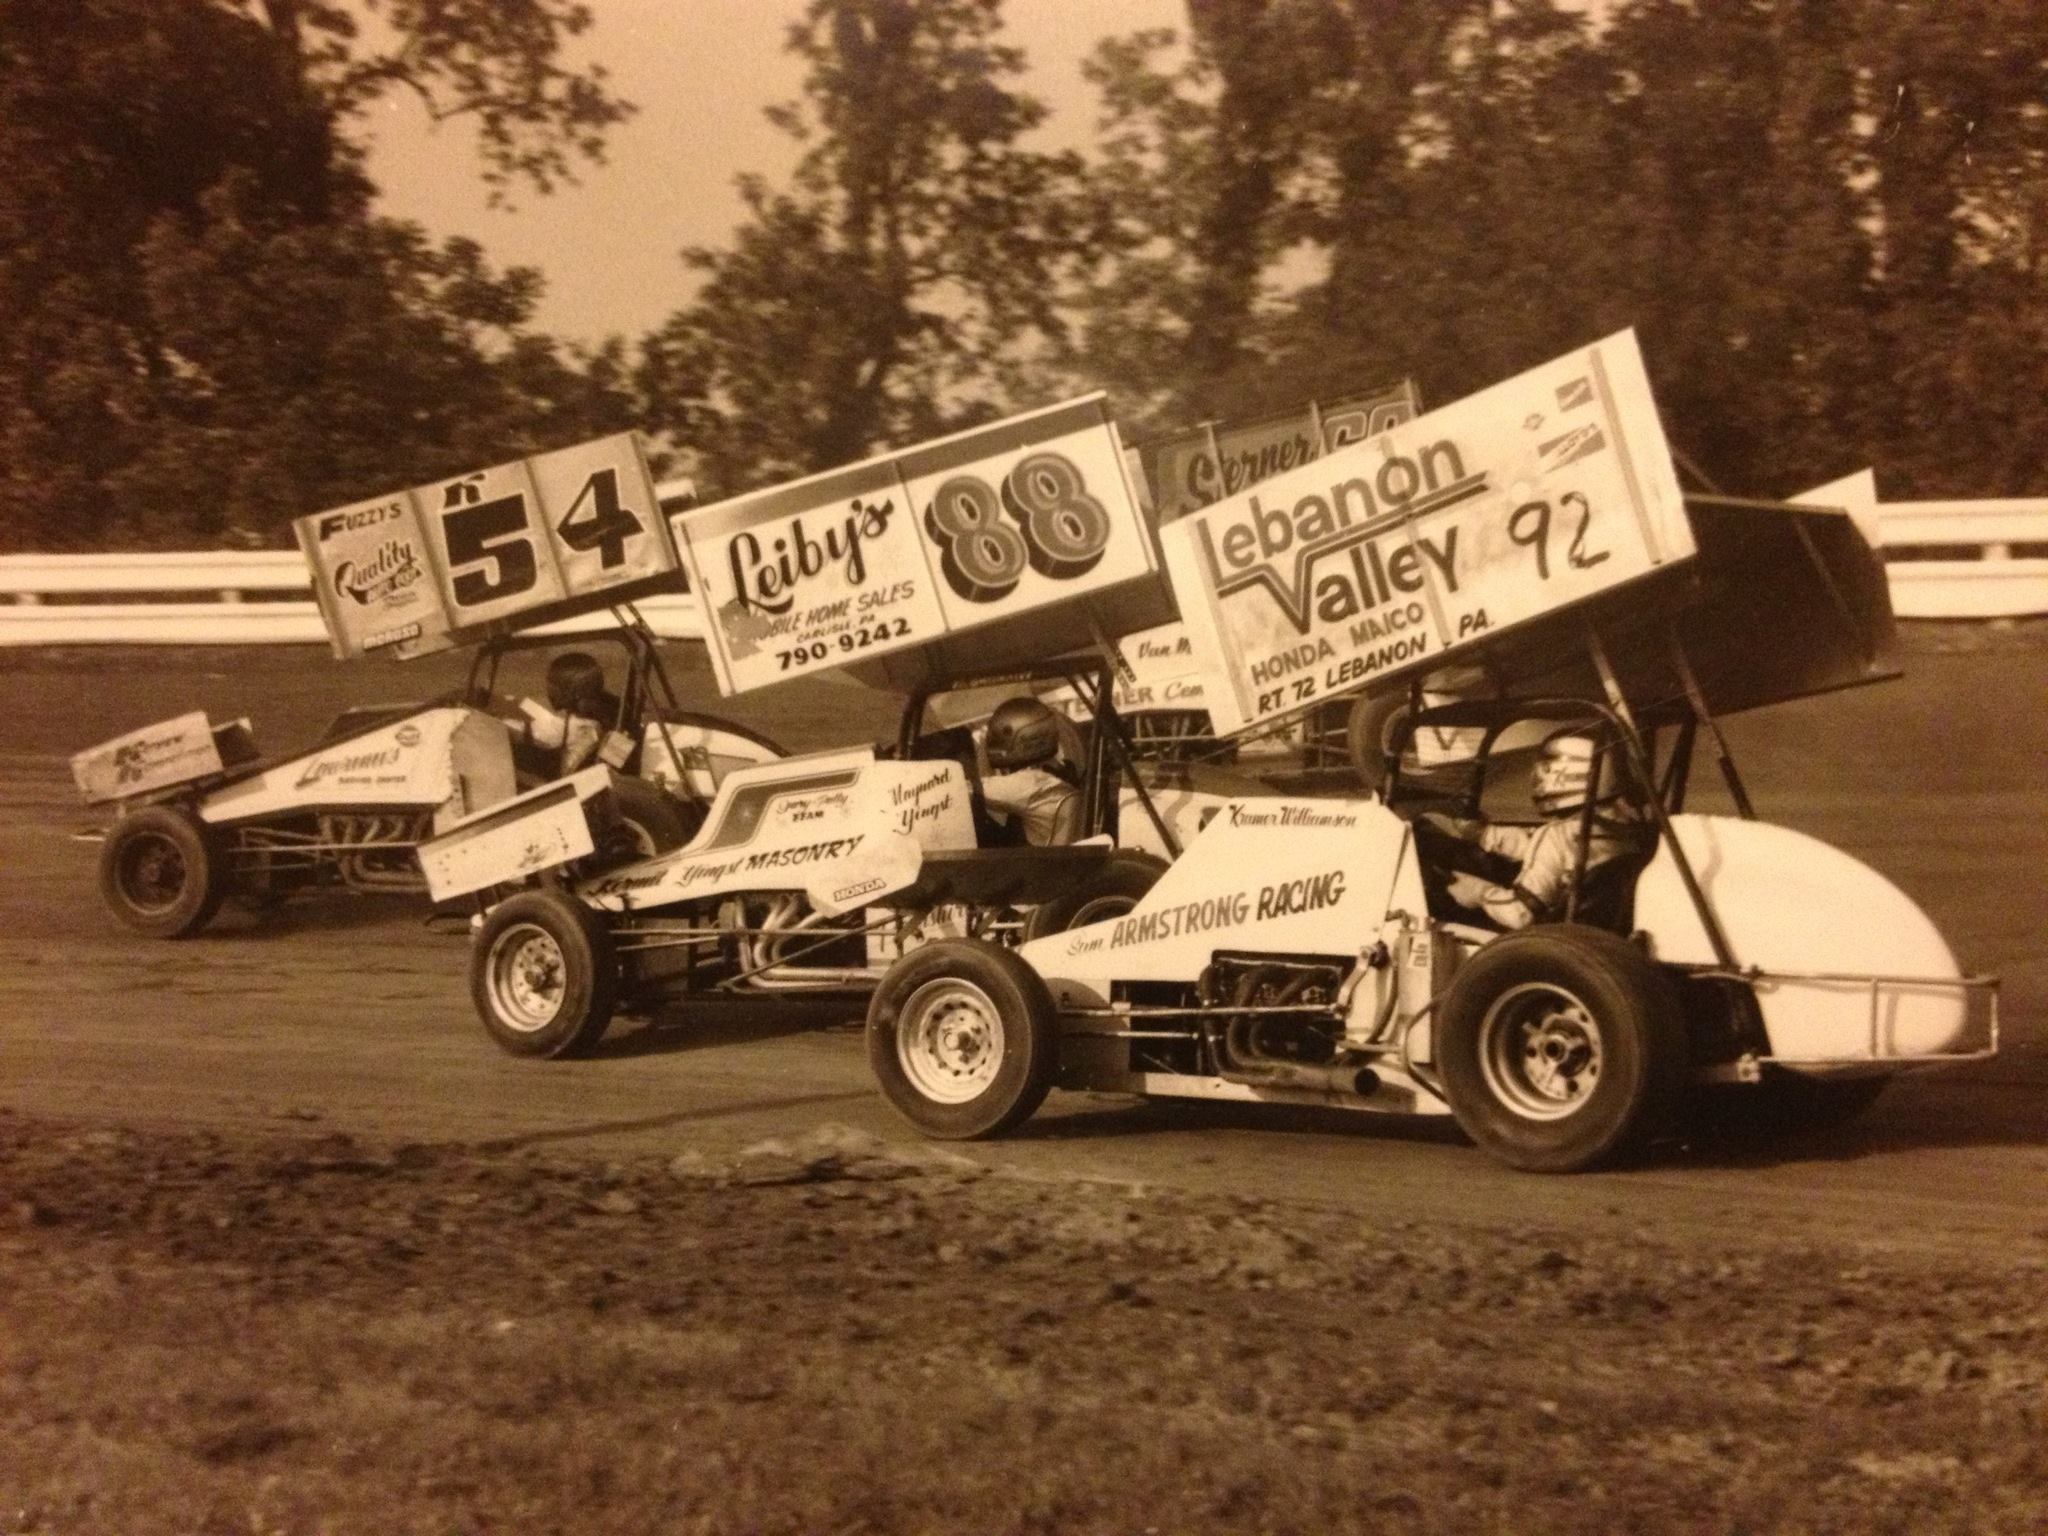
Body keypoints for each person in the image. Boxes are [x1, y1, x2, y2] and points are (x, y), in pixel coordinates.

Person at [1419, 728, 1649, 931]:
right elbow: (1541, 848)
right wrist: (1482, 835)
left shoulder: (1556, 836)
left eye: (1546, 768)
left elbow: (1520, 913)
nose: (1538, 776)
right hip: (1598, 937)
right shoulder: (1623, 831)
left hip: (1548, 940)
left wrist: (1479, 893)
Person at [979, 697, 1080, 846]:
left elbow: (965, 790)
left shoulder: (1031, 784)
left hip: (1038, 867)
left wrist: (981, 747)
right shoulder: (1058, 777)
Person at [517, 651, 623, 775]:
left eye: (553, 685)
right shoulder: (602, 720)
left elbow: (520, 731)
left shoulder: (575, 728)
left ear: (572, 693)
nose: (549, 691)